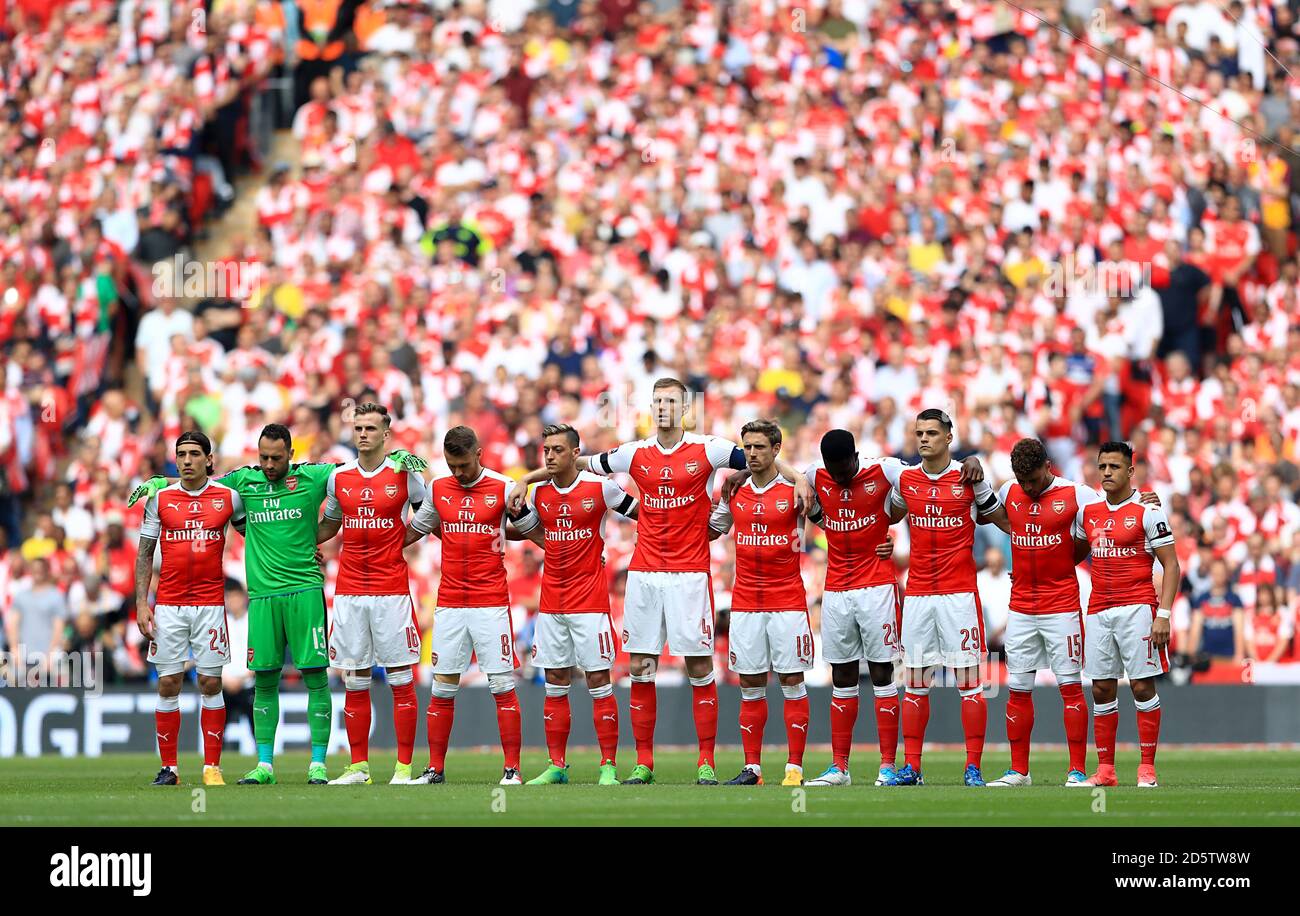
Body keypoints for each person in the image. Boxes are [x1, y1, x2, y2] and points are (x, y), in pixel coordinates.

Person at [508, 377, 813, 786]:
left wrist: (800, 478)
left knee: (699, 666)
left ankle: (706, 763)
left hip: (689, 574)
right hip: (645, 574)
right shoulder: (634, 454)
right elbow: (578, 462)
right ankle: (644, 764)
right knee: (641, 667)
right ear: (651, 408)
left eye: (671, 401)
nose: (664, 407)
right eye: (658, 401)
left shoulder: (709, 448)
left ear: (685, 406)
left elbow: (761, 462)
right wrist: (527, 478)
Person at [129, 425, 428, 785]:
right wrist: (162, 481)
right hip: (262, 595)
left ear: (291, 454)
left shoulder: (315, 476)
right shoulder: (242, 483)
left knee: (316, 677)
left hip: (305, 590)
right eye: (264, 457)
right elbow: (202, 480)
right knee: (265, 679)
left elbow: (358, 470)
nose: (269, 464)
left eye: (276, 457)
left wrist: (392, 458)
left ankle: (318, 764)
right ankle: (265, 766)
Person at [985, 438, 1159, 788]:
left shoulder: (1077, 495)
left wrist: (1143, 499)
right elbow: (994, 515)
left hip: (1062, 605)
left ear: (1048, 466)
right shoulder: (1009, 491)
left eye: (1033, 479)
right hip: (1020, 605)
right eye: (1022, 481)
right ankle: (1019, 770)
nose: (1028, 487)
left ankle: (1077, 770)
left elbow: (1112, 512)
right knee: (1017, 688)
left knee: (1071, 688)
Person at [404, 426, 534, 786]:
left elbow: (532, 529)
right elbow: (417, 528)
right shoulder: (437, 488)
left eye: (462, 465)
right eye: (451, 466)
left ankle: (512, 770)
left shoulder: (504, 486)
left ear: (478, 454)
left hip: (490, 601)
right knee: (442, 687)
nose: (457, 473)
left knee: (502, 684)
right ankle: (435, 770)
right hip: (449, 601)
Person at [886, 409, 1008, 787]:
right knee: (915, 682)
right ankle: (913, 768)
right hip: (919, 594)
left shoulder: (969, 477)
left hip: (959, 595)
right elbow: (886, 514)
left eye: (932, 433)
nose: (924, 439)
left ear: (949, 437)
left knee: (970, 682)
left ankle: (973, 767)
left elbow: (1003, 518)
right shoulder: (906, 480)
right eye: (919, 432)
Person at [512, 424, 638, 786]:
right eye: (545, 450)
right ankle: (557, 766)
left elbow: (644, 515)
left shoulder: (601, 488)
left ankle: (608, 766)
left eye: (556, 450)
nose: (549, 456)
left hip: (590, 603)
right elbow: (534, 532)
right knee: (554, 680)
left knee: (599, 680)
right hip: (551, 604)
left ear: (574, 452)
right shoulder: (538, 495)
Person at [315, 403, 427, 786]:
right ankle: (358, 767)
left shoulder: (404, 474)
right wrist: (303, 545)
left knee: (399, 677)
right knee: (354, 677)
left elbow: (427, 514)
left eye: (370, 428)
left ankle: (403, 768)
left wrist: (402, 540)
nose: (362, 433)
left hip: (390, 589)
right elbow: (330, 523)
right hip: (347, 591)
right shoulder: (338, 477)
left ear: (386, 435)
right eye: (358, 427)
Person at [708, 420, 814, 787]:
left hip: (787, 602)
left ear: (776, 449)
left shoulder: (796, 489)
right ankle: (752, 768)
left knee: (791, 680)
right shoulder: (733, 489)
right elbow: (712, 528)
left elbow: (833, 520)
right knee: (750, 683)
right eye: (747, 447)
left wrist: (799, 477)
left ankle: (794, 768)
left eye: (759, 447)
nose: (752, 453)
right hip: (745, 602)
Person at [1071, 441, 1181, 789]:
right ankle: (1106, 771)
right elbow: (1071, 554)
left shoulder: (1149, 511)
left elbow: (1172, 565)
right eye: (1102, 466)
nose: (1106, 473)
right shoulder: (1088, 511)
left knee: (1141, 685)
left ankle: (1146, 768)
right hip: (1099, 609)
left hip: (1138, 608)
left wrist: (1163, 615)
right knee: (1102, 688)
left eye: (1114, 467)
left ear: (1130, 472)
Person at [135, 431, 242, 786]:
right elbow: (145, 552)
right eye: (181, 454)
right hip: (168, 605)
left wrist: (302, 550)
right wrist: (141, 602)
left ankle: (212, 767)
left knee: (211, 682)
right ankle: (170, 769)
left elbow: (257, 536)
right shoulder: (161, 499)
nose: (186, 460)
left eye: (195, 453)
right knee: (169, 682)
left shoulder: (228, 498)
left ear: (208, 459)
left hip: (210, 604)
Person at [1188, 558, 1246, 665]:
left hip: (1229, 656)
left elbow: (1239, 631)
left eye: (1221, 573)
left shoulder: (1234, 599)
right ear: (1210, 574)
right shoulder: (1202, 599)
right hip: (1207, 657)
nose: (1218, 576)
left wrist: (1239, 655)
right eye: (1215, 573)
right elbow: (1195, 630)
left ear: (1227, 574)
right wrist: (1191, 656)